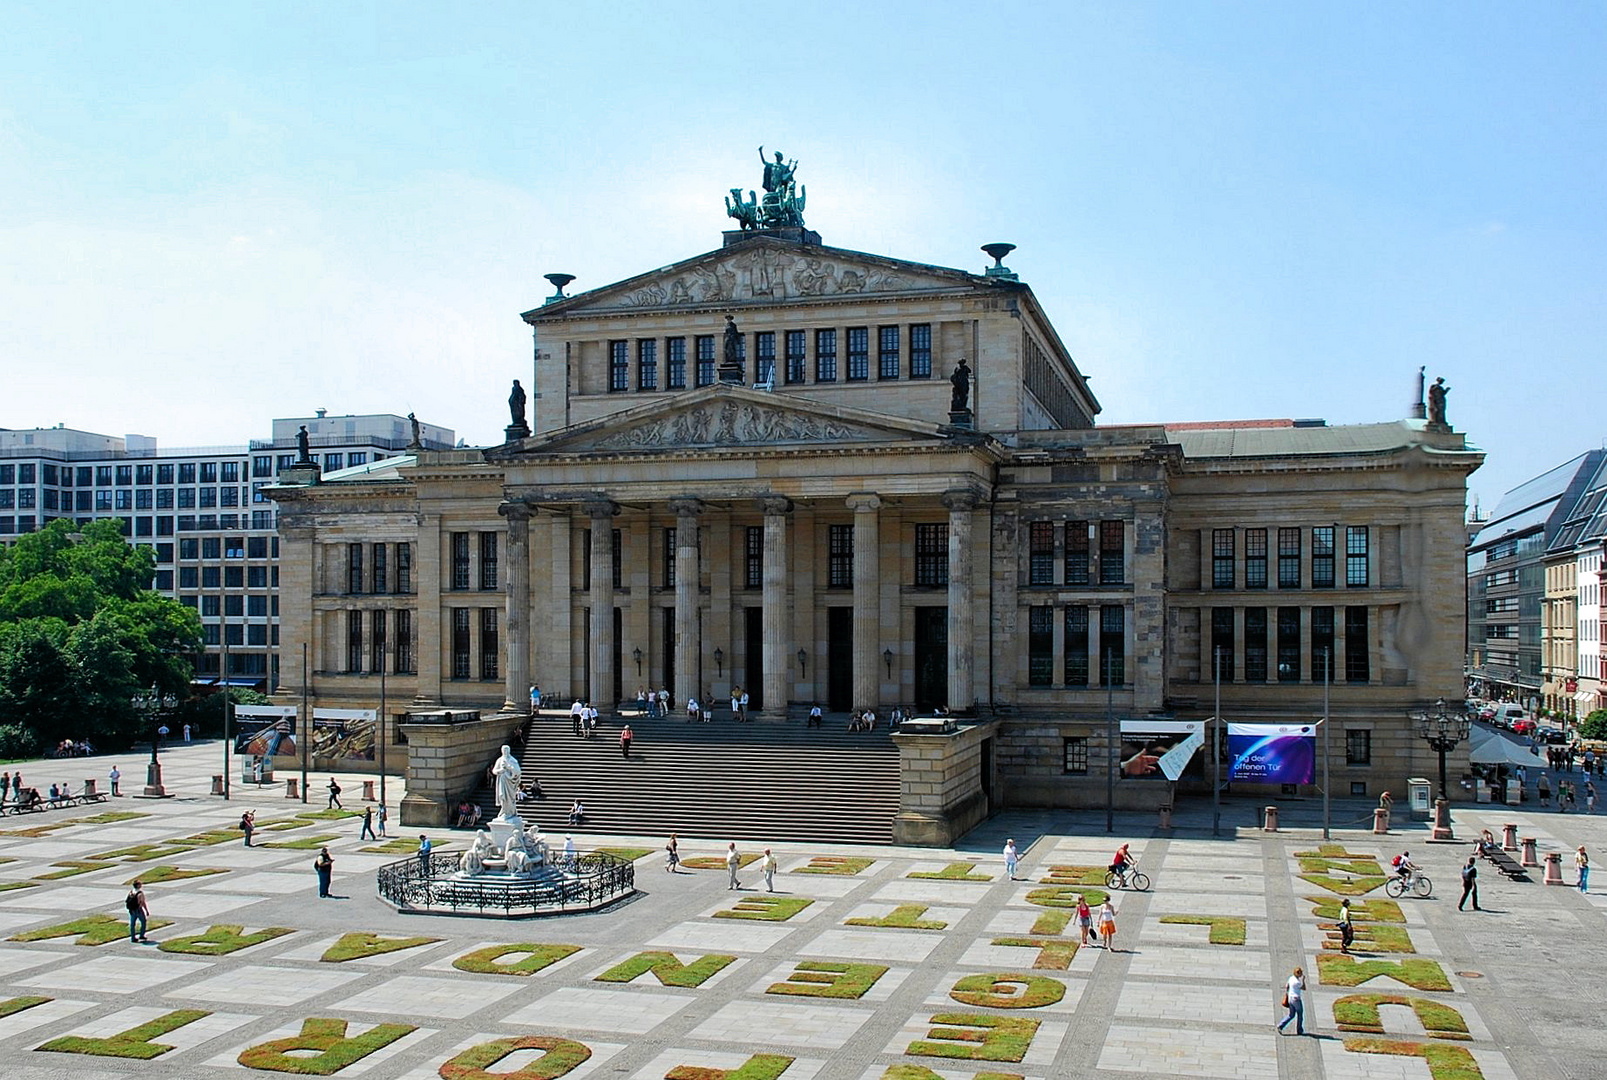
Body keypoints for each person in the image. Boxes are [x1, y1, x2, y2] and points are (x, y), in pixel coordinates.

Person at [1277, 966, 1306, 1035]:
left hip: (1290, 998)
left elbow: (1287, 986)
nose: (1302, 974)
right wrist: (1303, 980)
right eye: (1301, 973)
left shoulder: (1291, 978)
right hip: (1296, 999)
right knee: (1300, 1014)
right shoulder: (1297, 982)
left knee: (1291, 1015)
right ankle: (1299, 1030)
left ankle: (1281, 1025)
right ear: (1298, 974)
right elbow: (1304, 988)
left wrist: (1288, 993)